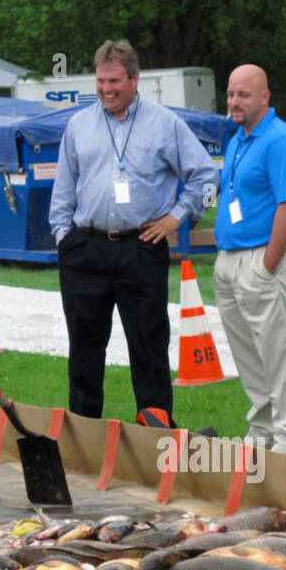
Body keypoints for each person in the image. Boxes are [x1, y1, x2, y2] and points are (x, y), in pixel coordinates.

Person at [49, 39, 217, 426]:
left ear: (135, 80)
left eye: (115, 82)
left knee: (149, 344)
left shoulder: (164, 123)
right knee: (85, 348)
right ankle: (85, 433)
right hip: (85, 249)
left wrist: (177, 217)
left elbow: (206, 177)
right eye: (101, 81)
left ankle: (154, 429)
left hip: (141, 248)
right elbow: (64, 187)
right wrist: (64, 236)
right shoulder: (79, 125)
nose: (107, 89)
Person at [213, 64, 286, 456]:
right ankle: (262, 429)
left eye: (244, 95)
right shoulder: (238, 139)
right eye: (231, 94)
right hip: (231, 258)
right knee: (248, 354)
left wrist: (267, 266)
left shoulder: (282, 141)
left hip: (264, 257)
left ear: (265, 97)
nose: (235, 102)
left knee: (278, 351)